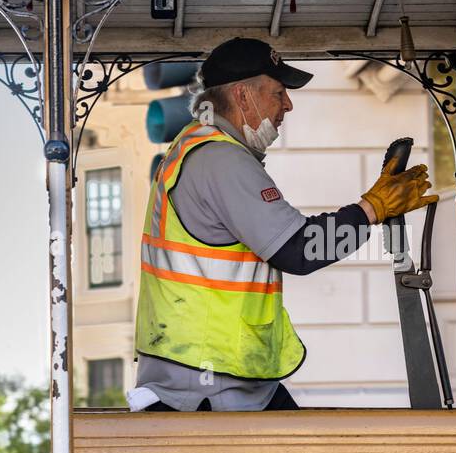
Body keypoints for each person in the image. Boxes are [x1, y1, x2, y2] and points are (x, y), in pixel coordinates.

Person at [128, 38, 436, 412]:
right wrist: (372, 208)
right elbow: (298, 250)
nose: (287, 105)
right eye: (278, 93)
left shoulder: (193, 147)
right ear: (243, 96)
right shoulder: (221, 159)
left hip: (204, 374)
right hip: (208, 385)